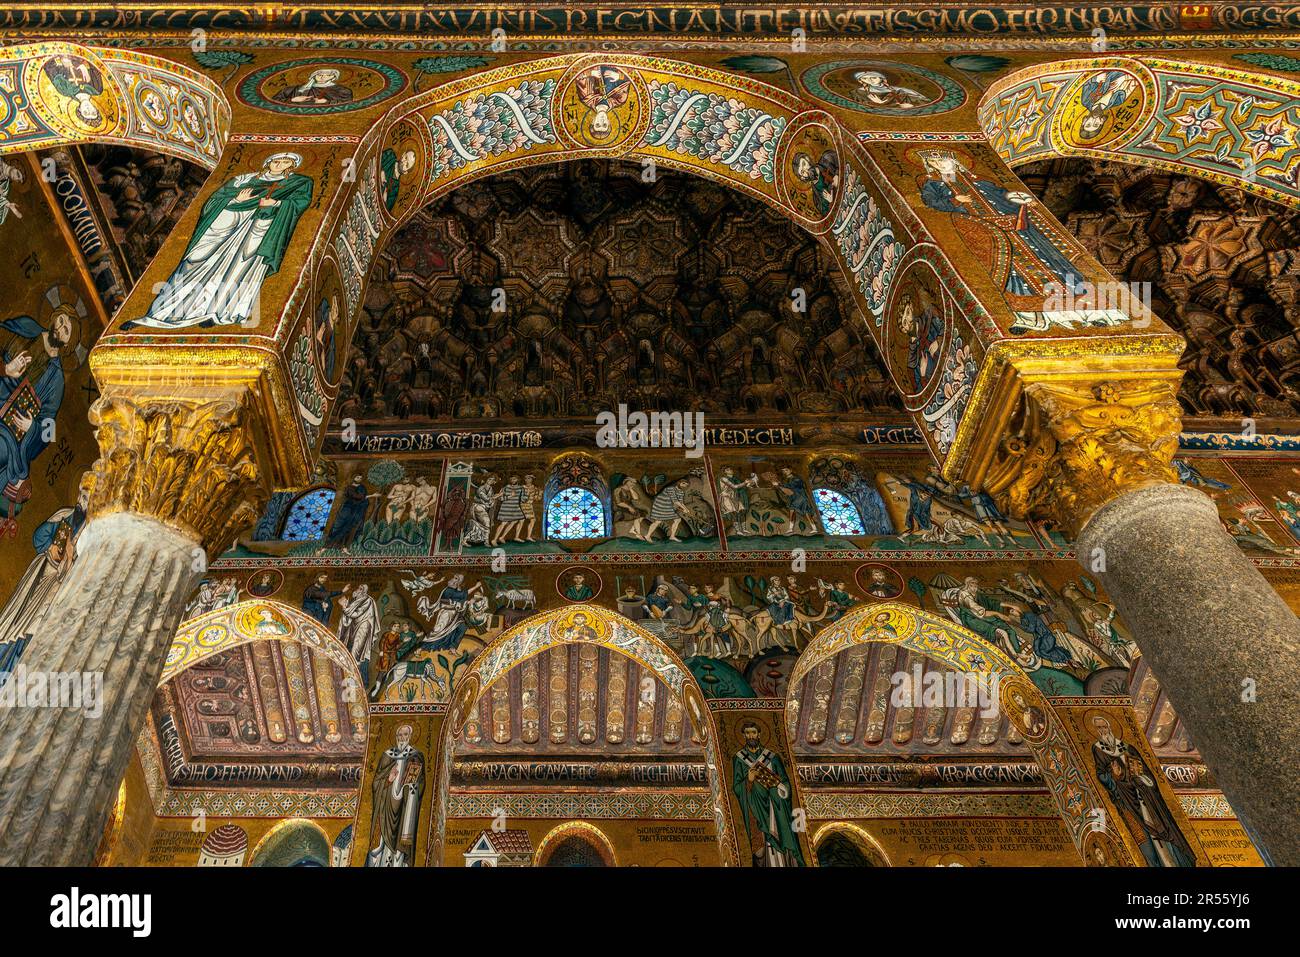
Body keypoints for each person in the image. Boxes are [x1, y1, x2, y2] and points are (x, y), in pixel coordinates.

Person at [124, 153, 313, 329]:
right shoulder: (243, 179)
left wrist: (277, 204)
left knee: (239, 268)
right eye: (276, 161)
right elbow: (213, 203)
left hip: (257, 229)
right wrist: (236, 201)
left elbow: (299, 203)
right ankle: (158, 314)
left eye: (285, 162)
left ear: (292, 166)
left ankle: (218, 313)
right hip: (224, 226)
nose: (279, 165)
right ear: (268, 163)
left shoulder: (298, 183)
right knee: (194, 261)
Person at [731, 721, 804, 866]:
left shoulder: (773, 757)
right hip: (754, 811)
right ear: (744, 735)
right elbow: (736, 788)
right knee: (760, 849)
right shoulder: (739, 759)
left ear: (759, 734)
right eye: (747, 733)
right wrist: (749, 781)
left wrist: (778, 786)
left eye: (753, 732)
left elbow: (786, 784)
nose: (750, 736)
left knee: (781, 846)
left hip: (775, 810)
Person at [366, 724, 424, 867]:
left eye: (405, 735)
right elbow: (376, 783)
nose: (402, 738)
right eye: (399, 735)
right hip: (385, 806)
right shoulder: (387, 755)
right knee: (380, 842)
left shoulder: (416, 755)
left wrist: (412, 784)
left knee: (400, 844)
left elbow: (421, 783)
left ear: (410, 736)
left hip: (405, 808)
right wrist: (388, 780)